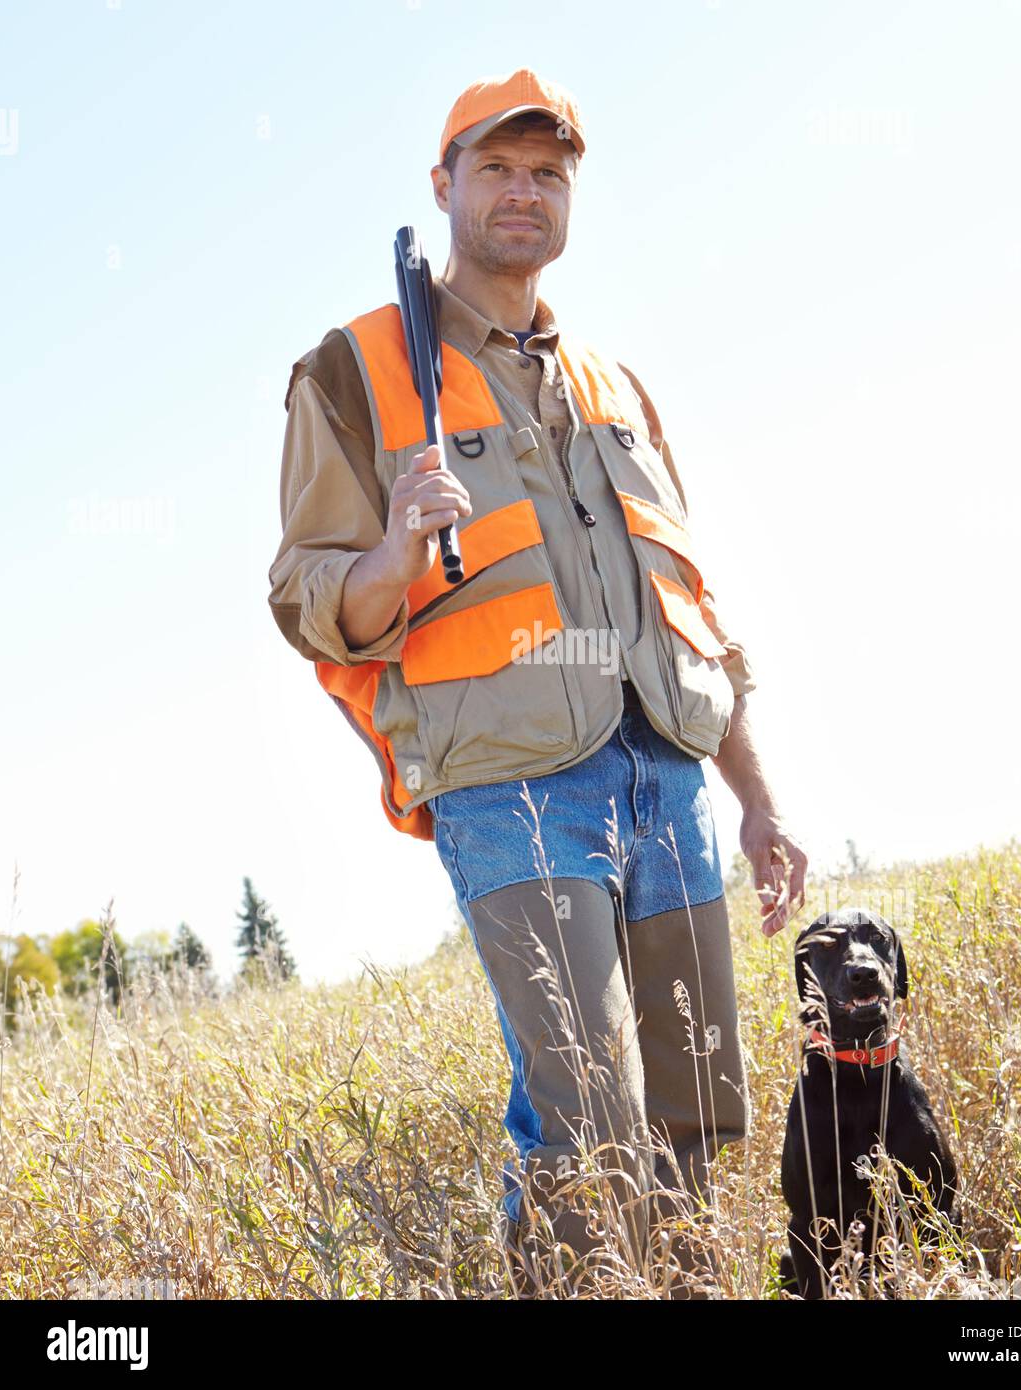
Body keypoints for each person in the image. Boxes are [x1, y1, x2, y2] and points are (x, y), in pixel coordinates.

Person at [268, 68, 807, 1297]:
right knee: (588, 1112)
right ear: (443, 184)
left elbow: (687, 604)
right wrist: (394, 554)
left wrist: (758, 796)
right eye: (498, 168)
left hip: (665, 772)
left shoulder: (613, 386)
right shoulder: (352, 373)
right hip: (511, 789)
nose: (524, 192)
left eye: (547, 174)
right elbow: (308, 599)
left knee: (693, 1102)